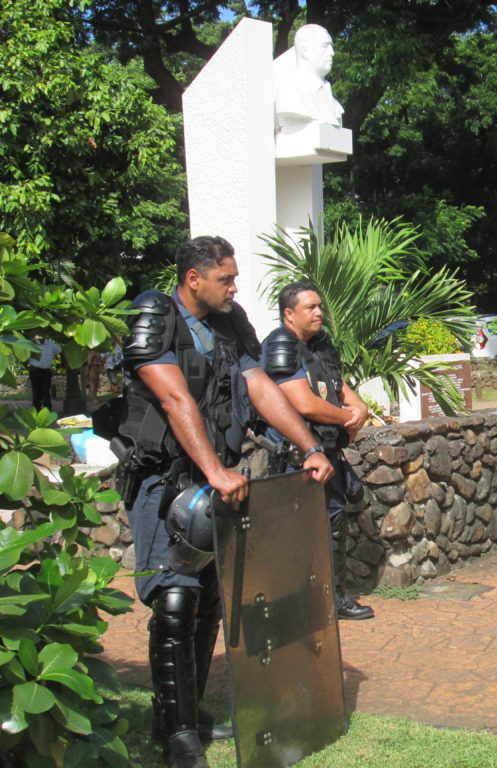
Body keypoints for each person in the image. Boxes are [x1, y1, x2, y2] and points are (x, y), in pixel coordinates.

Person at [117, 236, 334, 768]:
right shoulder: (154, 313)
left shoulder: (230, 321)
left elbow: (259, 386)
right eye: (226, 279)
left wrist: (309, 445)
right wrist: (214, 471)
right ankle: (176, 734)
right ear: (194, 278)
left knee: (212, 598)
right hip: (163, 479)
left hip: (218, 482)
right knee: (175, 599)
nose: (234, 287)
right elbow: (172, 397)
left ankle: (185, 713)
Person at [261, 282, 374, 620]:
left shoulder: (320, 345)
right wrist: (347, 418)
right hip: (295, 459)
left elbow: (337, 385)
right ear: (288, 313)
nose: (319, 312)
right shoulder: (280, 344)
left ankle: (334, 597)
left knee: (334, 525)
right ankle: (293, 603)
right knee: (298, 532)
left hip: (328, 454)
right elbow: (302, 402)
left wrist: (359, 409)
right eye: (310, 307)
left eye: (319, 306)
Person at [275, 24, 344, 127]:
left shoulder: (334, 103)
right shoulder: (290, 94)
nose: (332, 53)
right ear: (305, 52)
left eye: (331, 47)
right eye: (325, 46)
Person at [27, 337, 61, 412]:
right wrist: (27, 366)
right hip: (35, 370)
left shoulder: (50, 344)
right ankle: (36, 410)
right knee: (36, 392)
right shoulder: (32, 344)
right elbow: (22, 355)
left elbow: (60, 351)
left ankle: (48, 410)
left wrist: (63, 363)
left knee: (45, 391)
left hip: (46, 371)